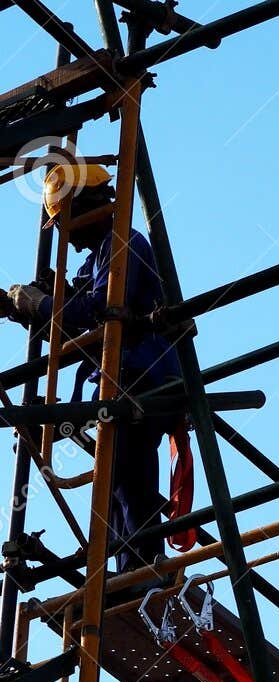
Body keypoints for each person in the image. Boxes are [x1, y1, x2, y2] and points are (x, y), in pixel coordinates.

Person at [4, 163, 180, 574]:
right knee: (116, 483)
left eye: (65, 223)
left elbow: (95, 307)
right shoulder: (102, 253)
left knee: (128, 482)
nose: (68, 237)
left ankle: (142, 572)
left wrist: (41, 304)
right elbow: (73, 314)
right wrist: (23, 308)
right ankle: (127, 573)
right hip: (123, 381)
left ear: (83, 209)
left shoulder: (123, 245)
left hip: (143, 377)